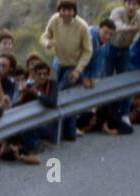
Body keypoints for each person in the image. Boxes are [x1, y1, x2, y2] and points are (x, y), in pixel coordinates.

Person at [41, 1, 93, 140]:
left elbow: (88, 51)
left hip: (73, 67)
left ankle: (55, 130)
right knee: (66, 99)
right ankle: (68, 132)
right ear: (59, 10)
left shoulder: (82, 26)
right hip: (59, 64)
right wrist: (47, 43)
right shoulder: (54, 20)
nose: (66, 13)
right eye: (63, 10)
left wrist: (78, 70)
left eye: (69, 10)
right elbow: (45, 36)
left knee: (59, 95)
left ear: (74, 11)